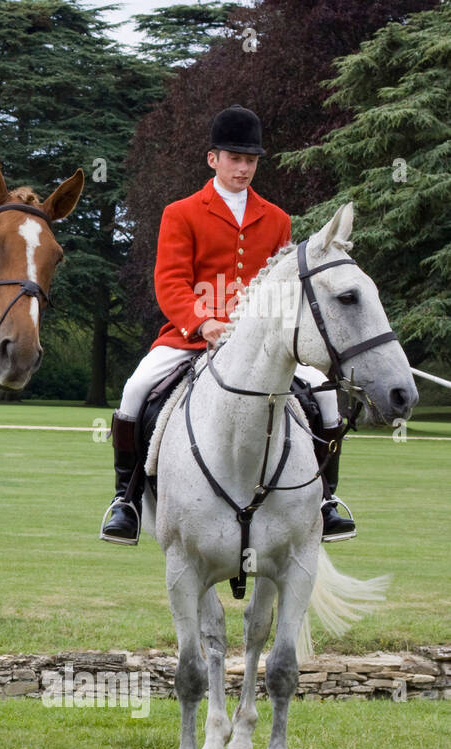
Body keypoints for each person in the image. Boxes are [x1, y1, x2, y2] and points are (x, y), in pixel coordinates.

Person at [99, 105, 354, 545]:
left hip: (260, 347)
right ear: (213, 159)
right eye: (235, 158)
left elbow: (279, 286)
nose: (243, 168)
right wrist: (202, 324)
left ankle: (326, 499)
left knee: (326, 399)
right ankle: (126, 499)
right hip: (190, 339)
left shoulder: (276, 219)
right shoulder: (181, 213)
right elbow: (170, 282)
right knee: (134, 391)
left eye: (251, 160)